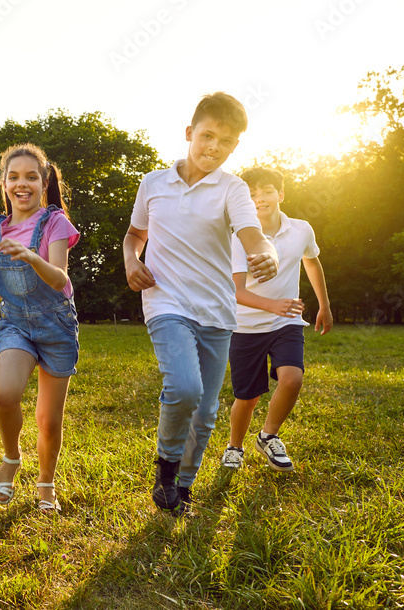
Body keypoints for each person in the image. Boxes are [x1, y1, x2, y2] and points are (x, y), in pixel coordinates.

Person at [123, 92, 281, 516]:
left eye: (226, 141)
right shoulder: (153, 183)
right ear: (190, 132)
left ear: (234, 147)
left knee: (207, 410)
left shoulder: (233, 189)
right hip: (166, 301)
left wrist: (267, 253)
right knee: (185, 388)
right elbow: (135, 234)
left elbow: (254, 235)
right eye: (207, 135)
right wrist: (130, 260)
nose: (214, 146)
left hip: (215, 310)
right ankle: (166, 470)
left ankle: (183, 487)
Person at [0, 143, 80, 513]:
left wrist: (33, 256)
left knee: (49, 420)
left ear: (44, 182)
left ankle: (46, 485)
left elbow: (58, 276)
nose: (22, 183)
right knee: (5, 394)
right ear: (3, 183)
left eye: (31, 176)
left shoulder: (55, 222)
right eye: (14, 176)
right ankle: (11, 458)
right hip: (16, 323)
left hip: (56, 325)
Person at [220, 167, 333, 472]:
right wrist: (273, 305)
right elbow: (236, 292)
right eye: (252, 194)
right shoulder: (237, 238)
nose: (260, 199)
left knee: (292, 378)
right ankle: (235, 446)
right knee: (248, 397)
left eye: (267, 191)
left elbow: (311, 261)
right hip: (244, 327)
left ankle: (269, 436)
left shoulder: (301, 229)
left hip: (286, 323)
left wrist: (324, 304)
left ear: (281, 194)